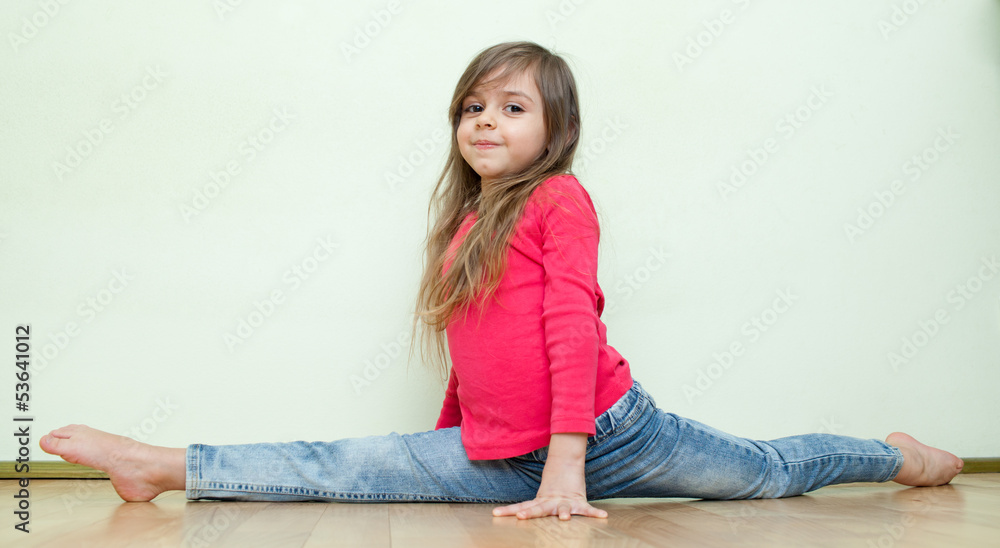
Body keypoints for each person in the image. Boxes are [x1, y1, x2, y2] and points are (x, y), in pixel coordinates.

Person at [40, 41, 964, 521]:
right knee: (338, 467)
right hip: (499, 452)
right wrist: (448, 449)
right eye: (471, 109)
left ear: (553, 130)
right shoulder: (466, 222)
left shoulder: (559, 200)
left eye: (510, 108)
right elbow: (471, 345)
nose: (484, 122)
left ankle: (901, 455)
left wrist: (567, 460)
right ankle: (159, 463)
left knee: (770, 473)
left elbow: (568, 325)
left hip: (613, 434)